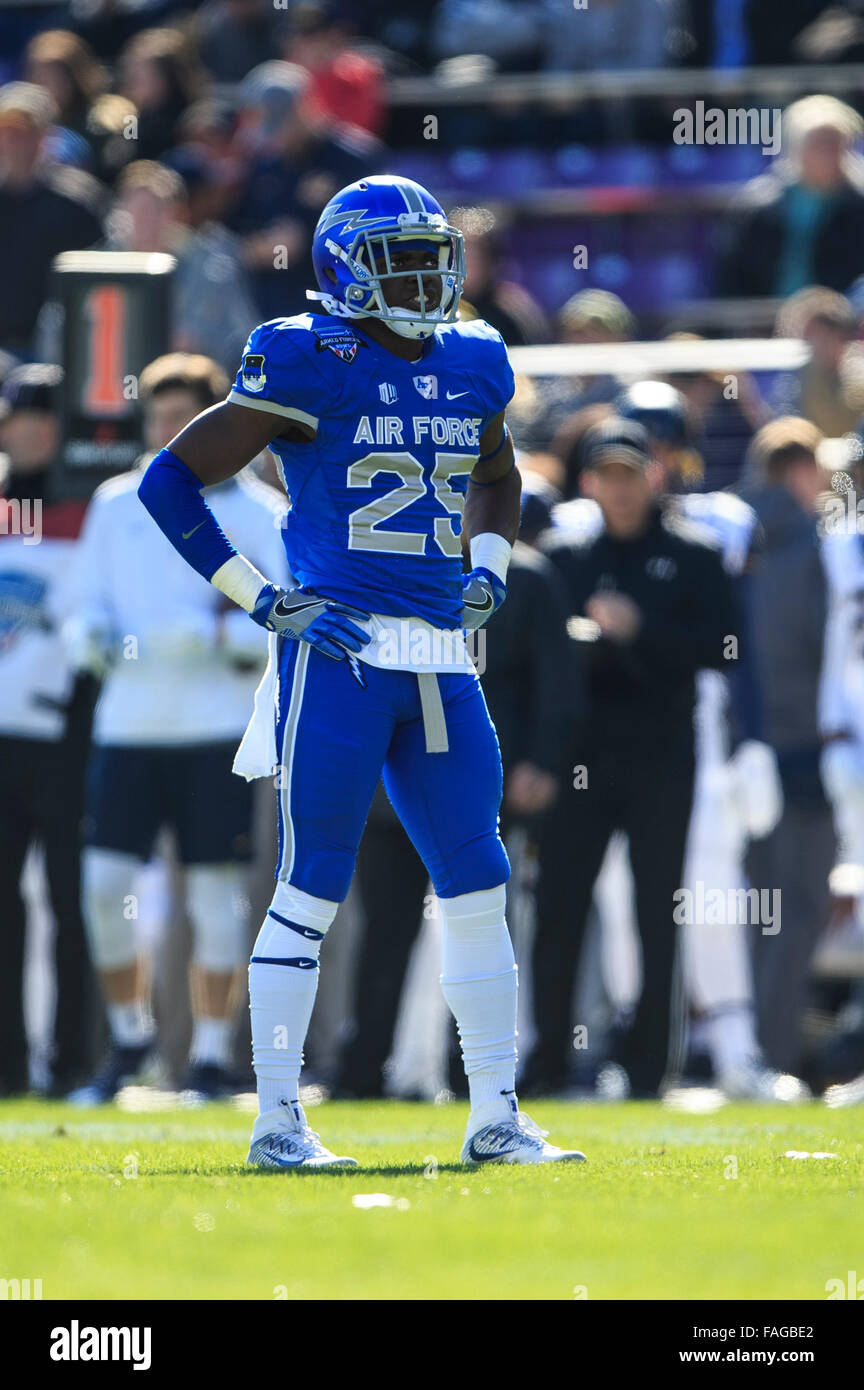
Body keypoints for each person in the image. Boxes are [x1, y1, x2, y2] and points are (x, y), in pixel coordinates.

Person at [138, 173, 586, 1169]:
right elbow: (171, 477)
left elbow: (501, 475)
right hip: (339, 658)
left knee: (480, 879)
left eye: (435, 259)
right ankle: (277, 1119)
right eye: (403, 262)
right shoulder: (306, 355)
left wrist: (492, 565)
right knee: (311, 882)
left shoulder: (474, 357)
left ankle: (495, 1114)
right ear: (345, 268)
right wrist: (256, 593)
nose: (427, 279)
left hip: (441, 658)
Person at [64, 353, 287, 1103]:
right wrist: (91, 637)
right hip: (127, 726)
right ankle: (129, 1039)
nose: (170, 431)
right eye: (160, 417)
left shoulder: (259, 513)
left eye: (184, 417)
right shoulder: (118, 502)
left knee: (215, 897)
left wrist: (219, 639)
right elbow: (80, 602)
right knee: (104, 887)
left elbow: (287, 622)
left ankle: (215, 1056)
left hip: (215, 729)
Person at [525, 417, 739, 1098]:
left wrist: (639, 631)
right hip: (579, 757)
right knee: (558, 910)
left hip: (660, 758)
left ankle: (650, 1067)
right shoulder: (564, 557)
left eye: (630, 474)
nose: (618, 489)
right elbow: (536, 666)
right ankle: (550, 1060)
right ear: (588, 482)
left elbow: (725, 649)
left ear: (654, 475)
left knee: (656, 913)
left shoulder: (697, 554)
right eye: (605, 475)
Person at [0, 364, 97, 1096]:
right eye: (17, 418)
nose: (29, 430)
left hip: (69, 740)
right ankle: (8, 1065)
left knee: (75, 903)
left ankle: (74, 1062)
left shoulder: (93, 510)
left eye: (44, 418)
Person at [738, 418, 836, 1076]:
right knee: (797, 907)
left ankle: (748, 1050)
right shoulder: (816, 550)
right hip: (811, 748)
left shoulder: (732, 543)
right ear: (798, 471)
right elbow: (827, 654)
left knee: (757, 907)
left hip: (743, 752)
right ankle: (770, 1054)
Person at [718, 95, 864, 298]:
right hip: (763, 321)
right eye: (817, 144)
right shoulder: (757, 207)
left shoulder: (859, 207)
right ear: (797, 148)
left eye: (833, 144)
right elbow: (733, 274)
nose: (826, 153)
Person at [0, 82, 103, 358]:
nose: (12, 141)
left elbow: (97, 281)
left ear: (44, 136)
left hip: (55, 353)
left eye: (22, 131)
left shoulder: (77, 201)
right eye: (5, 131)